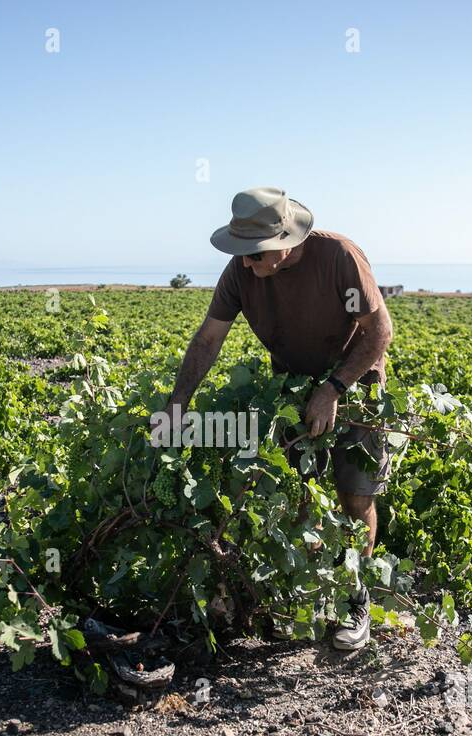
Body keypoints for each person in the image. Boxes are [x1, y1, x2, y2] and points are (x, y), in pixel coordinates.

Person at [164, 187, 394, 650]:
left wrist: (333, 389)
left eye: (254, 255)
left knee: (355, 497)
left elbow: (379, 332)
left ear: (285, 241)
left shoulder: (338, 258)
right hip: (288, 393)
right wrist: (178, 403)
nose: (246, 264)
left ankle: (356, 599)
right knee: (297, 498)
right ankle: (298, 598)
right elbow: (208, 339)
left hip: (356, 390)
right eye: (241, 254)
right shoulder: (241, 273)